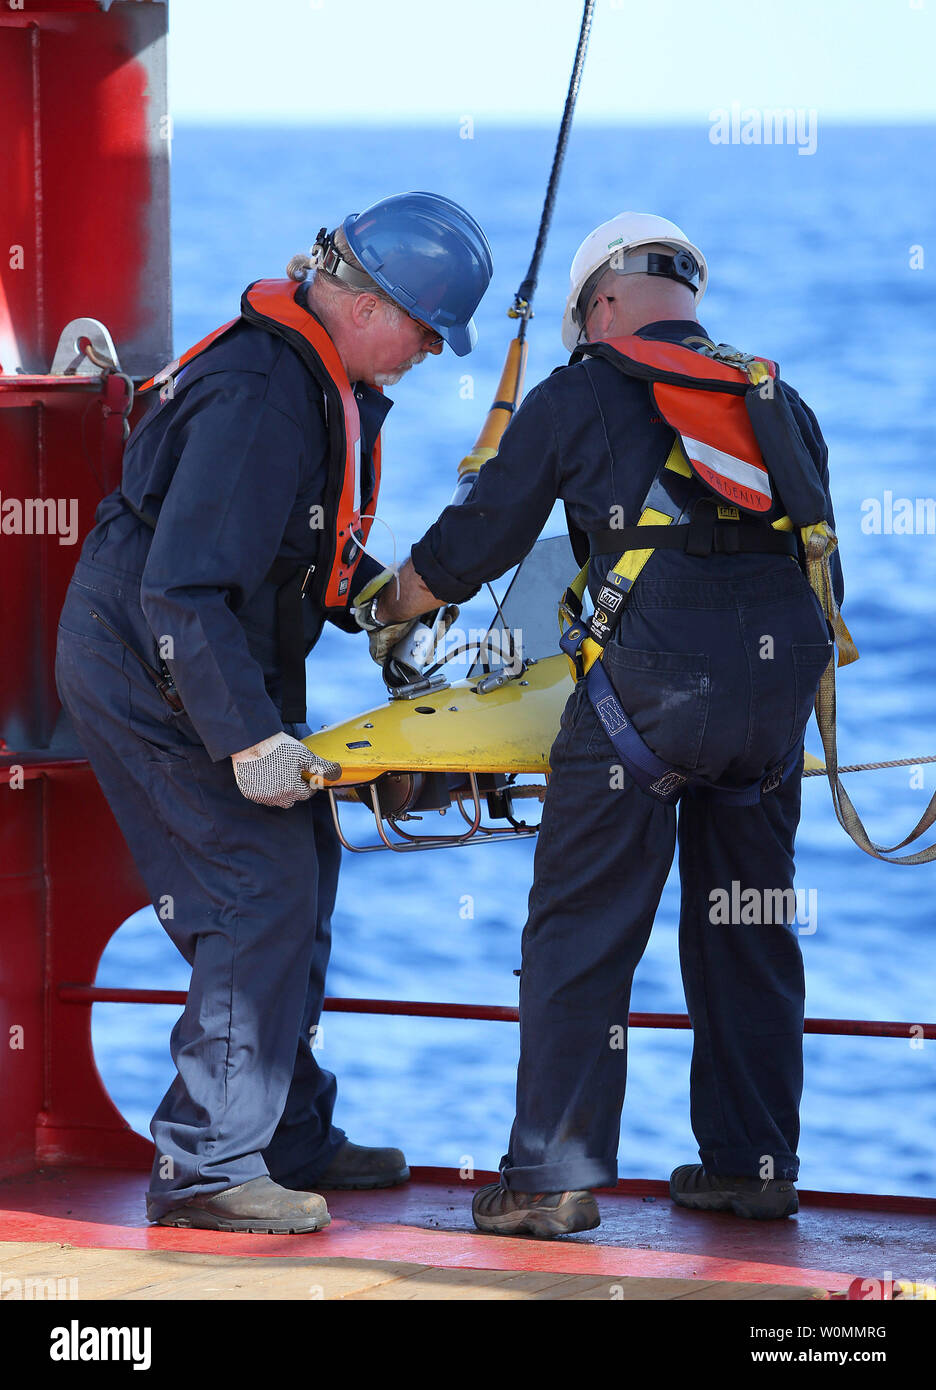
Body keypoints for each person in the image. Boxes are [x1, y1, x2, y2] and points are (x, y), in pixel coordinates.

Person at [359, 211, 844, 1238]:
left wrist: (392, 602)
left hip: (646, 714)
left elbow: (477, 543)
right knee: (747, 934)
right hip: (770, 718)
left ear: (601, 305)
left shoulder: (580, 391)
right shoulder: (779, 400)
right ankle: (755, 1167)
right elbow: (822, 570)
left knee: (582, 933)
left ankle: (552, 1178)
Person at [55, 192, 493, 1234]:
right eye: (428, 333)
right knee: (254, 884)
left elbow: (292, 545)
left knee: (301, 860)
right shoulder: (262, 392)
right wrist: (248, 739)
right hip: (153, 659)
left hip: (211, 652)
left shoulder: (309, 380)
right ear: (374, 301)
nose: (431, 355)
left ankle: (283, 1127)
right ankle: (209, 1164)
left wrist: (378, 604)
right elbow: (185, 588)